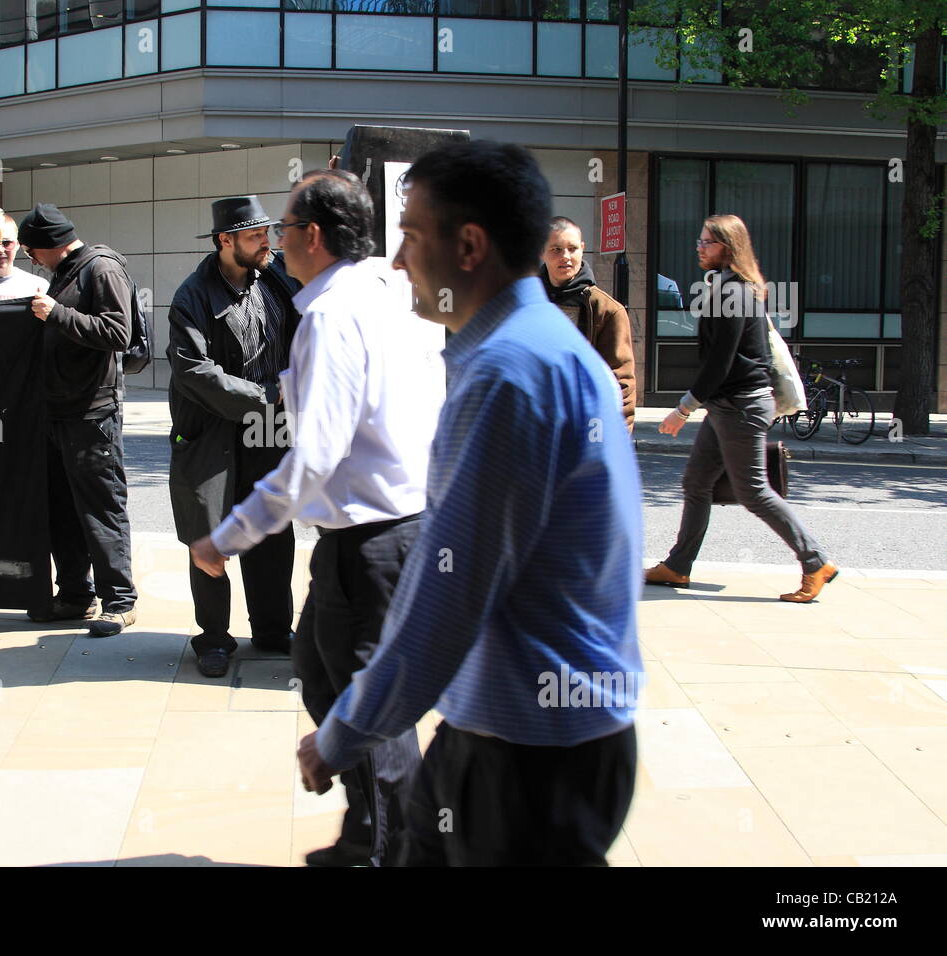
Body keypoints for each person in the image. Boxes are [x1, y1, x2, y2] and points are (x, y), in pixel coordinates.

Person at [295, 140, 643, 866]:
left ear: (470, 245)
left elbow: (449, 598)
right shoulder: (538, 347)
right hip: (521, 728)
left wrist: (342, 732)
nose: (396, 262)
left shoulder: (507, 375)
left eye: (412, 238)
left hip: (528, 756)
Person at [190, 169, 445, 867]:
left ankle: (389, 851)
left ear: (311, 235)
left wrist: (228, 536)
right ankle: (373, 833)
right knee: (319, 671)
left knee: (372, 710)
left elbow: (314, 459)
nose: (274, 239)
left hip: (371, 542)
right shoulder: (393, 295)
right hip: (386, 532)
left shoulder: (332, 316)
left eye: (282, 225)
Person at [646, 215, 837, 601]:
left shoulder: (734, 292)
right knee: (696, 483)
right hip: (727, 405)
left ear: (728, 248)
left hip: (742, 406)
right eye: (699, 241)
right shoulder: (727, 288)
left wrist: (683, 409)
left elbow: (721, 360)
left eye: (707, 243)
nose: (698, 248)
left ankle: (815, 561)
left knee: (753, 492)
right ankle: (678, 566)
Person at [167, 197, 303, 677]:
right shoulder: (193, 295)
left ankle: (272, 629)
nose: (266, 243)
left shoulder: (278, 276)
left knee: (270, 529)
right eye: (254, 236)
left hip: (270, 427)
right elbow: (194, 371)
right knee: (209, 533)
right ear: (225, 241)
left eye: (266, 233)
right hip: (210, 432)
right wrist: (266, 395)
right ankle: (213, 638)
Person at [17, 202, 138, 635]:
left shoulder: (100, 268)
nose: (31, 260)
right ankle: (74, 595)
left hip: (92, 412)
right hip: (57, 412)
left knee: (100, 506)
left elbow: (117, 333)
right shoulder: (65, 273)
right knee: (62, 510)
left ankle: (119, 600)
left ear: (49, 246)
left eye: (32, 251)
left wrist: (57, 313)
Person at [539, 216, 636, 430]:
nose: (566, 256)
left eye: (572, 248)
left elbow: (622, 385)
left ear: (582, 249)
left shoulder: (607, 311)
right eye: (556, 249)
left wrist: (616, 442)